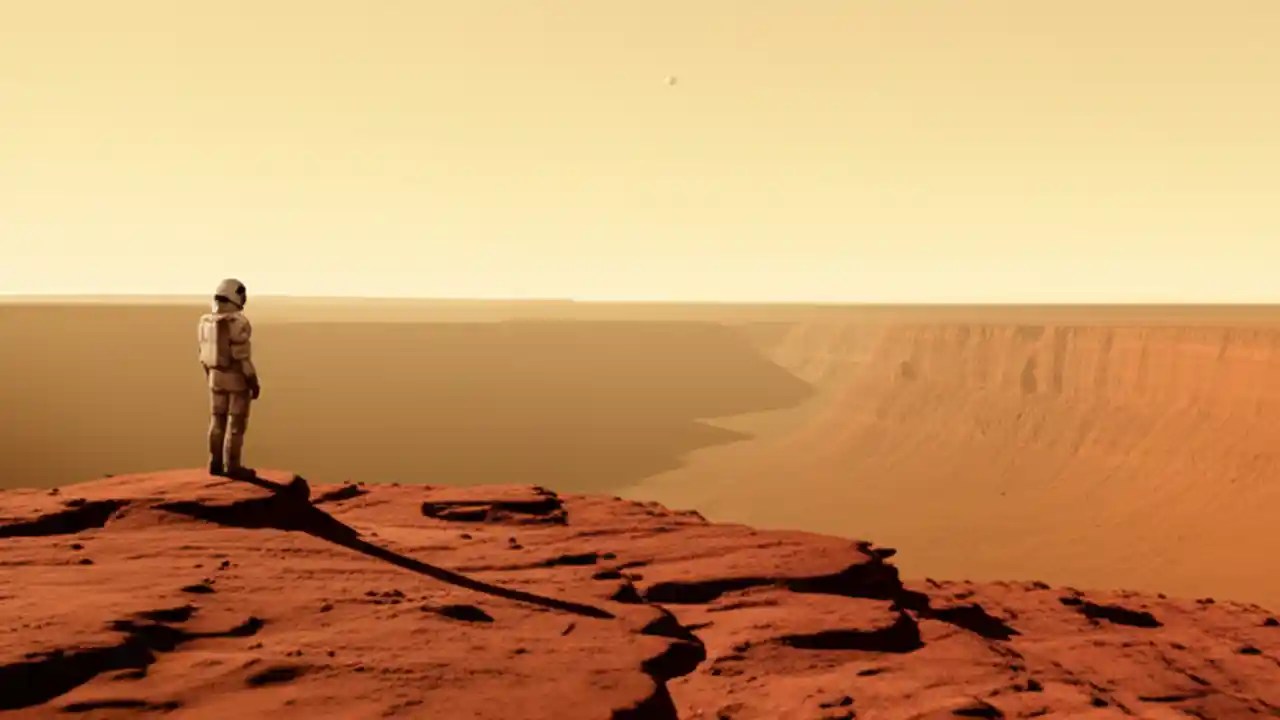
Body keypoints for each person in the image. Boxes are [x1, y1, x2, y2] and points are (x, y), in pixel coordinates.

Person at [197, 278, 262, 478]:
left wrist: (210, 377)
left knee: (217, 422)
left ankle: (214, 463)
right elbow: (242, 357)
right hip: (235, 379)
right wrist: (252, 380)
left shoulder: (205, 322)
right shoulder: (237, 323)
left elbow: (203, 356)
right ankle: (232, 466)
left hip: (215, 377)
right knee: (235, 424)